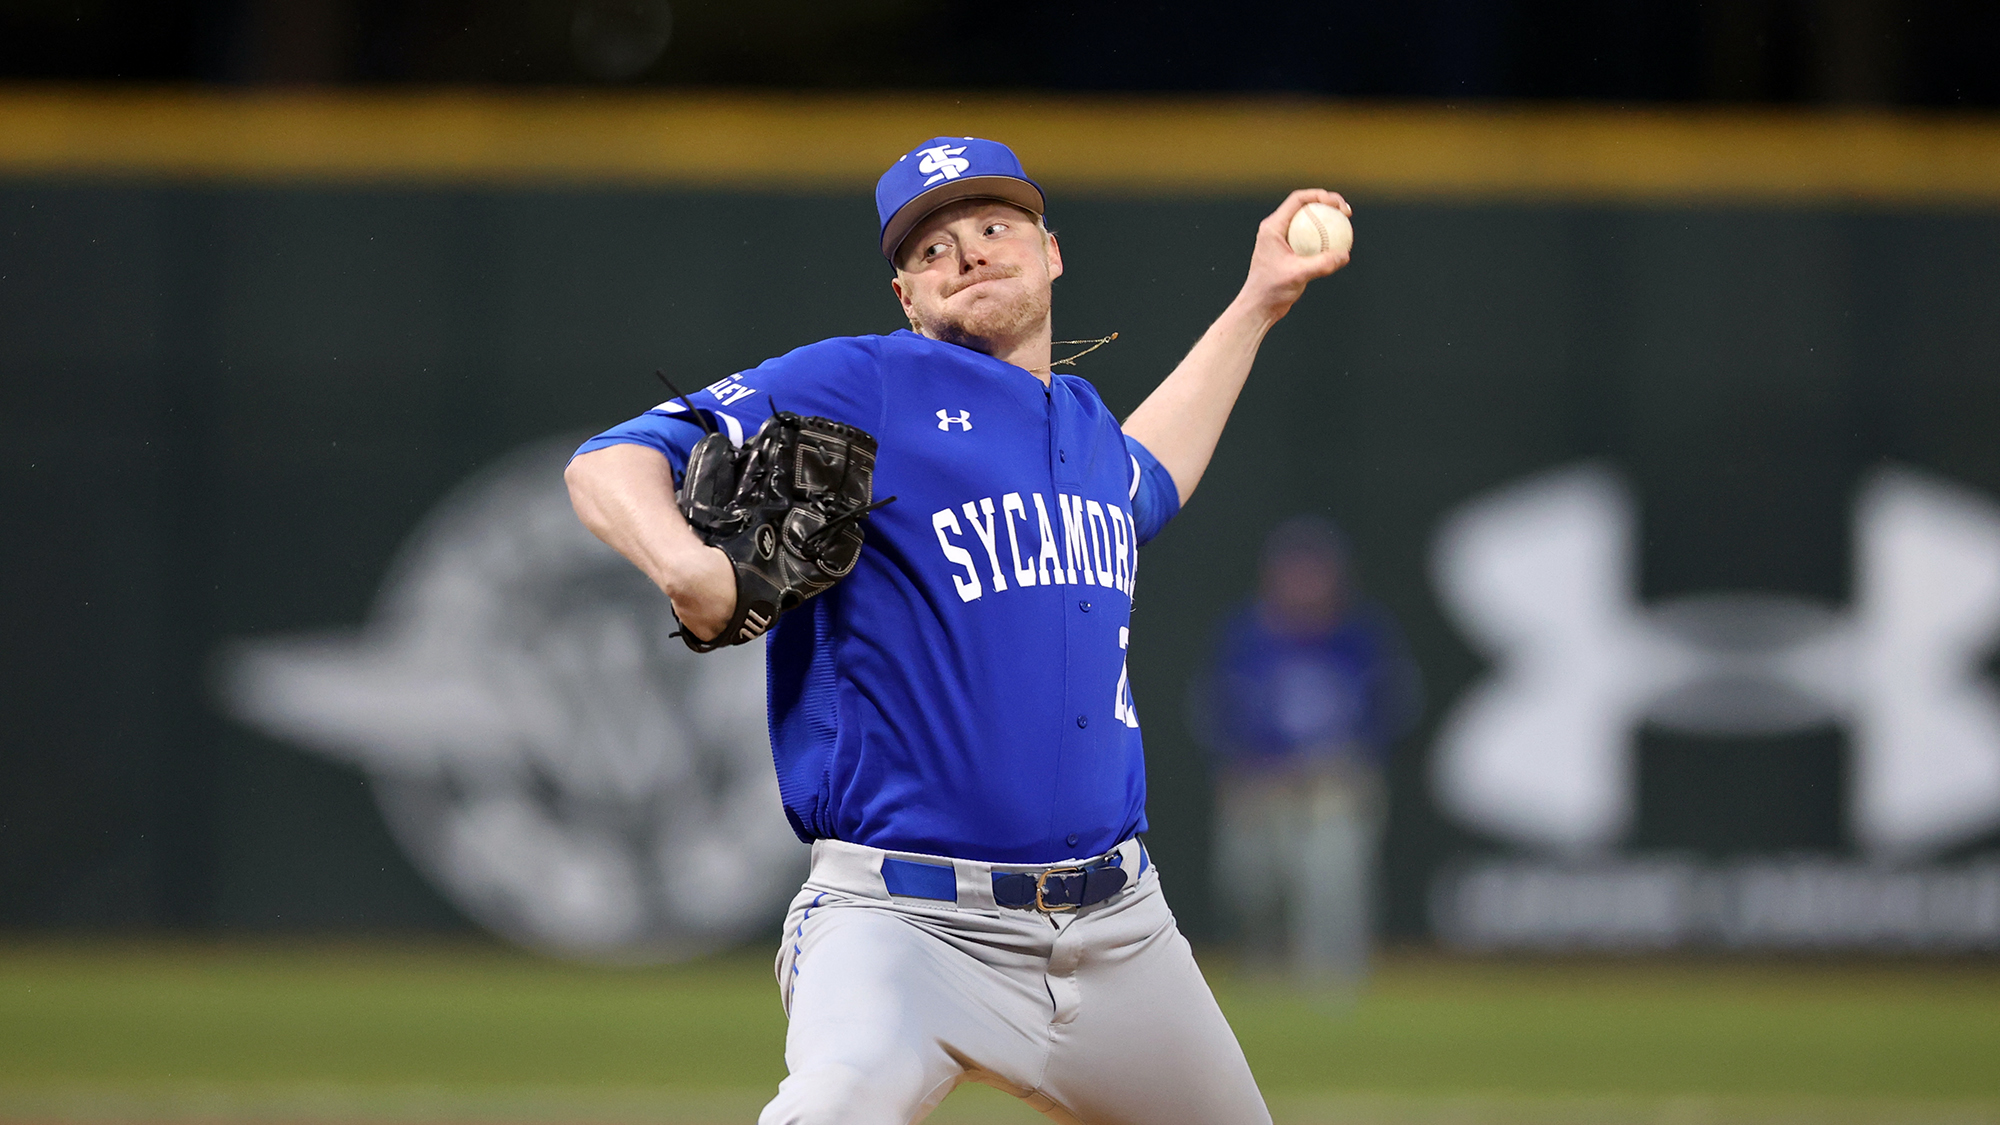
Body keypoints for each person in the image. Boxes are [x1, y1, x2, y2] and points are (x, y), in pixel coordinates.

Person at [563, 136, 1349, 1125]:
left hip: (1118, 932)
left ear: (1049, 252)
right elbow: (608, 459)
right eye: (932, 248)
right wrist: (688, 568)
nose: (969, 253)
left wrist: (1258, 303)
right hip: (904, 923)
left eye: (993, 226)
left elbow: (1146, 480)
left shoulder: (1082, 423)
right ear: (905, 296)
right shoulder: (868, 380)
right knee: (833, 1110)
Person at [1194, 516, 1421, 992]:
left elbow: (1394, 708)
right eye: (1295, 573)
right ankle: (1263, 974)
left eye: (1315, 573)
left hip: (1330, 783)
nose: (1304, 585)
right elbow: (1216, 710)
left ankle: (1334, 983)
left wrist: (1352, 761)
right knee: (1252, 887)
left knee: (1331, 882)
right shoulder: (1248, 636)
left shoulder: (1359, 637)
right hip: (1261, 784)